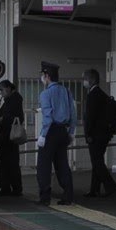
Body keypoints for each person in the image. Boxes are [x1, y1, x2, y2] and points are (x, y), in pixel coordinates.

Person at [36, 61, 75, 205]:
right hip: (63, 131)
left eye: (42, 75)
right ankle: (68, 196)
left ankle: (44, 197)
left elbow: (48, 117)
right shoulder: (66, 91)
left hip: (50, 131)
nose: (42, 78)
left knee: (44, 165)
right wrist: (71, 132)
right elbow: (73, 114)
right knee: (62, 164)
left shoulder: (45, 94)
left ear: (47, 76)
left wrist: (43, 135)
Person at [82, 69, 116, 197]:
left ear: (91, 80)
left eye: (84, 78)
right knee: (97, 161)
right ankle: (94, 189)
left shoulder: (93, 95)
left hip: (96, 135)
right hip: (104, 134)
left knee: (97, 161)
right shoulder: (102, 94)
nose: (83, 81)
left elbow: (90, 117)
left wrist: (88, 134)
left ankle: (111, 186)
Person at [0, 79, 24, 196]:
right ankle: (8, 187)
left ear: (8, 88)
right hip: (6, 137)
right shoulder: (7, 101)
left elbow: (8, 117)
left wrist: (3, 119)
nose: (1, 93)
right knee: (5, 162)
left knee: (10, 163)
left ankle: (13, 188)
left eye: (2, 90)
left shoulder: (15, 99)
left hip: (10, 136)